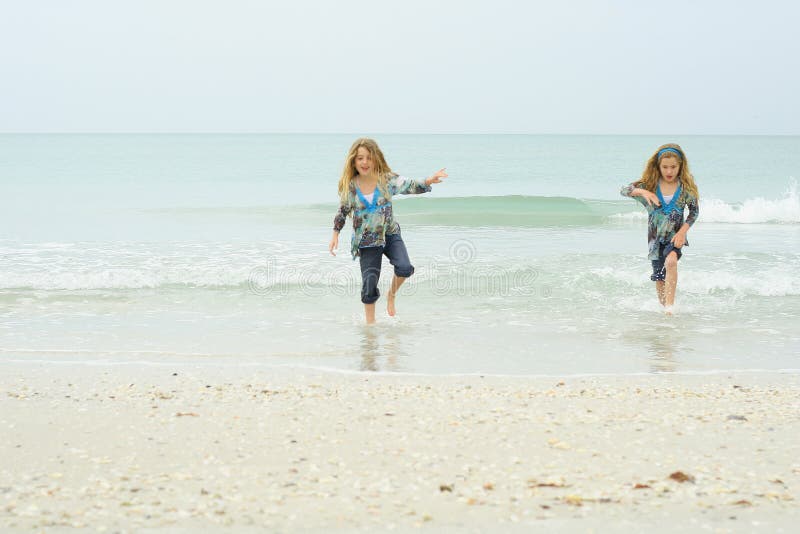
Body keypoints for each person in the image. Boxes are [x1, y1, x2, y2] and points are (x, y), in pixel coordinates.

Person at [329, 138, 447, 324]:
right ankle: (370, 328)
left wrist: (428, 180)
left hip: (390, 234)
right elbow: (342, 211)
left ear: (376, 159)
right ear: (354, 161)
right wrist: (335, 234)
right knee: (369, 285)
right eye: (360, 158)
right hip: (367, 241)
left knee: (405, 268)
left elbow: (408, 184)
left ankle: (391, 295)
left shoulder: (386, 180)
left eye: (369, 157)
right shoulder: (351, 187)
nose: (365, 162)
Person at [621, 143, 699, 313]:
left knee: (671, 262)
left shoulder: (685, 187)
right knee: (659, 277)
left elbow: (694, 212)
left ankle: (670, 308)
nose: (669, 171)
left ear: (680, 166)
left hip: (675, 237)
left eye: (673, 167)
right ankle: (663, 310)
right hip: (655, 239)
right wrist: (644, 192)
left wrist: (682, 232)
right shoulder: (649, 185)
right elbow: (624, 190)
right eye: (665, 167)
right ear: (658, 166)